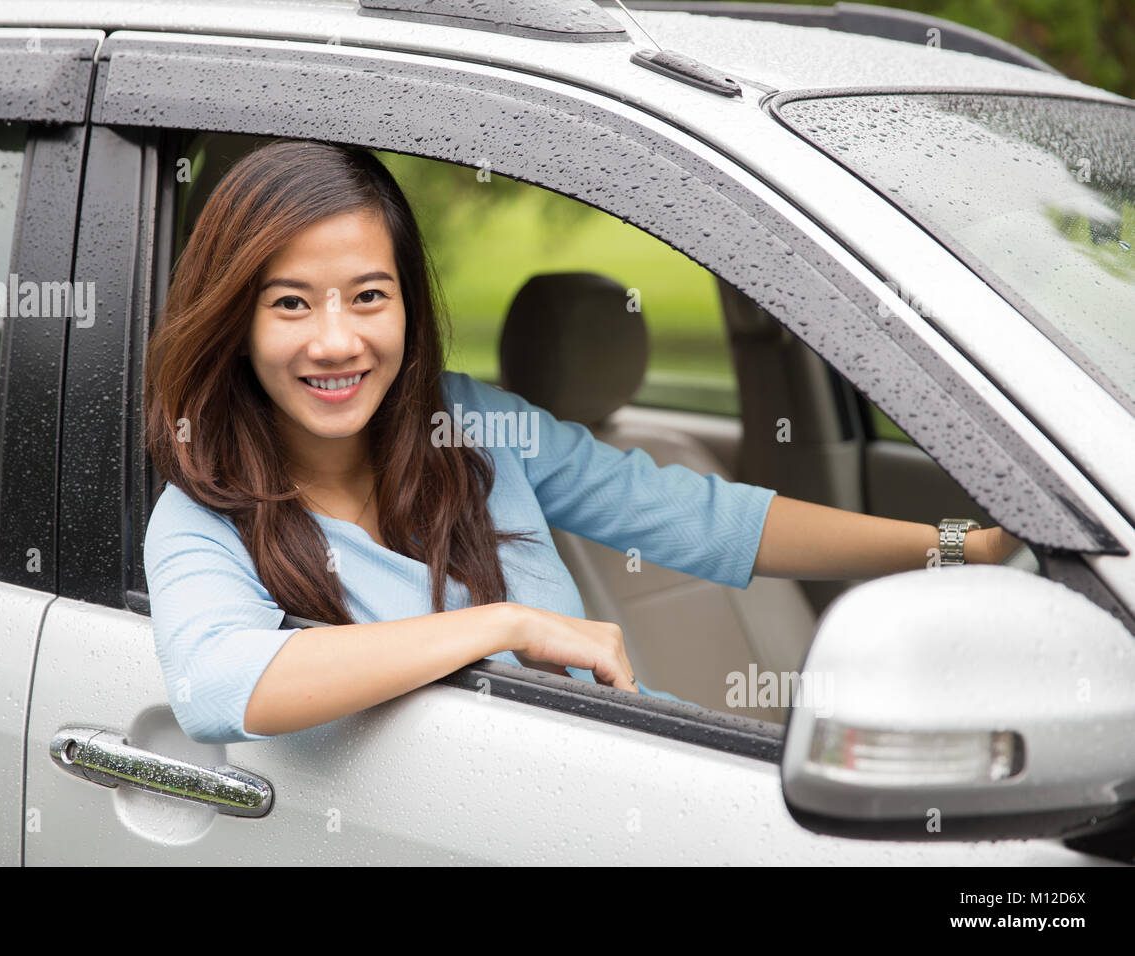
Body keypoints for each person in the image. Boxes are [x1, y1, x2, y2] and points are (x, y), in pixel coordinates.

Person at [143, 138, 1024, 745]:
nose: (337, 341)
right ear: (237, 322)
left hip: (622, 768)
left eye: (369, 296)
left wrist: (959, 548)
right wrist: (510, 623)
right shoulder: (202, 517)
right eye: (291, 303)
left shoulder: (474, 427)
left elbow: (703, 520)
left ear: (409, 305)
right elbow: (220, 688)